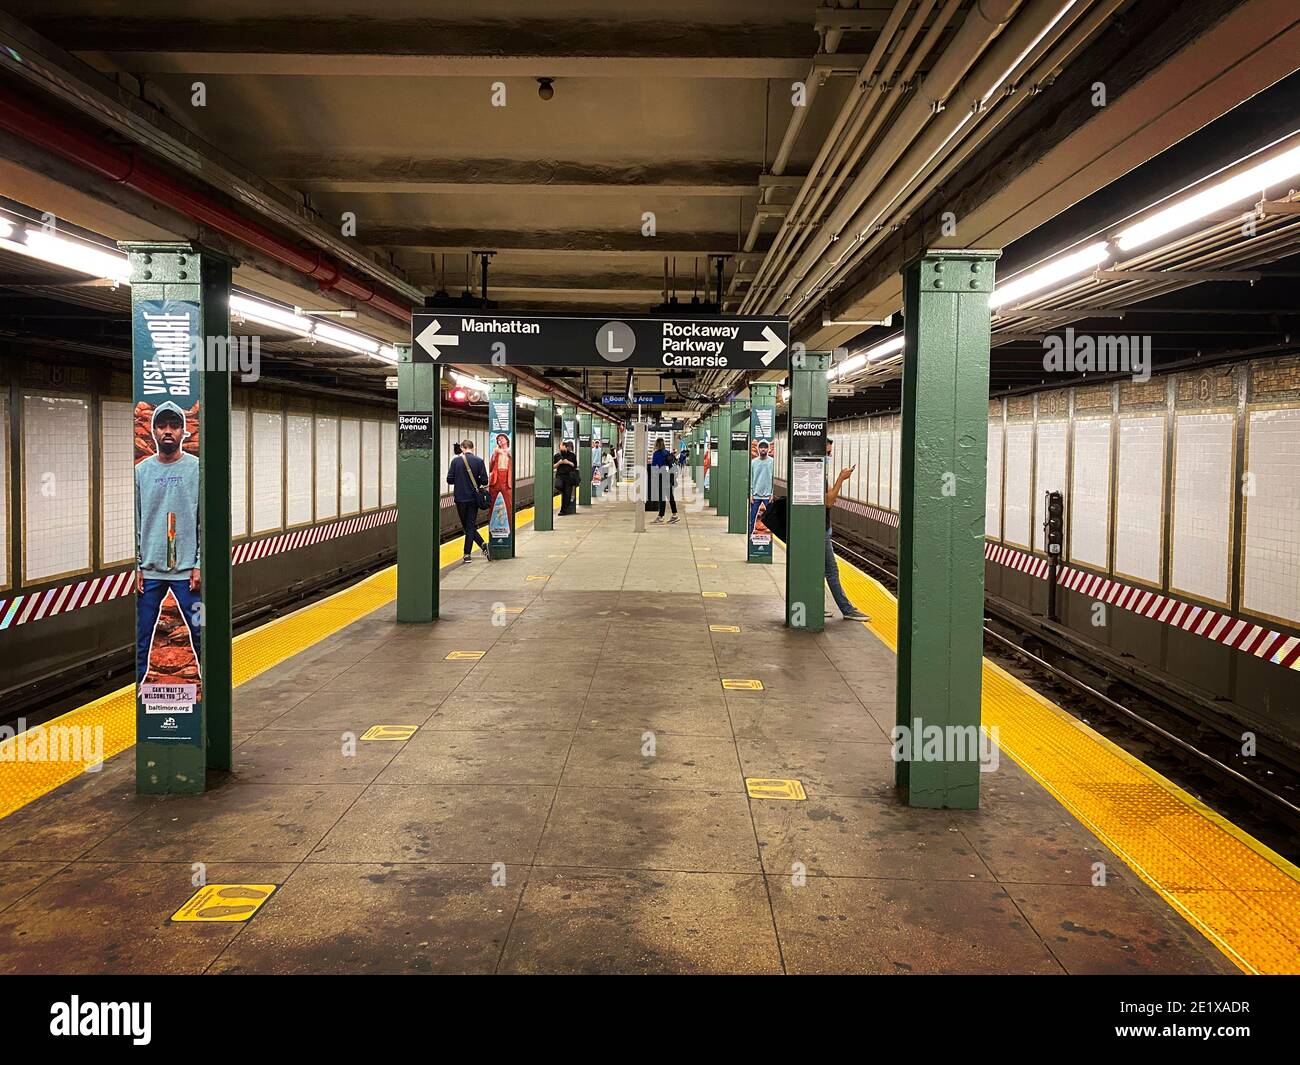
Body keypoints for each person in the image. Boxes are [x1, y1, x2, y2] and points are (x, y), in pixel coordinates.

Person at [135, 401, 202, 685]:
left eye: (174, 426)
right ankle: (141, 687)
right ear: (153, 432)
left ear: (183, 432)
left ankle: (206, 687)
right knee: (142, 634)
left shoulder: (197, 469)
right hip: (149, 571)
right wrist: (136, 566)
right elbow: (136, 519)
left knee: (200, 630)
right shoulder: (141, 472)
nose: (167, 431)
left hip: (187, 572)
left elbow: (204, 519)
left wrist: (199, 564)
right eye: (161, 425)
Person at [824, 437, 870, 621]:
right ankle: (847, 609)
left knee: (819, 569)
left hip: (824, 528)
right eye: (827, 453)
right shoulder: (815, 473)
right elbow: (829, 501)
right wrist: (841, 479)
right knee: (831, 571)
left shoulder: (820, 473)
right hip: (820, 529)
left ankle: (813, 603)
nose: (829, 456)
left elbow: (829, 494)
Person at [447, 438, 491, 563]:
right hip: (473, 498)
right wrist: (475, 481)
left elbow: (449, 480)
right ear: (473, 448)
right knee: (470, 525)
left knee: (467, 526)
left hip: (460, 498)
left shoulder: (455, 461)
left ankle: (467, 553)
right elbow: (485, 481)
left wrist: (459, 479)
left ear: (462, 448)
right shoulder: (479, 461)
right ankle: (481, 545)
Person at [748, 438, 774, 539]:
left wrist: (772, 493)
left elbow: (773, 478)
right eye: (761, 447)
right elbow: (751, 478)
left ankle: (772, 535)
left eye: (765, 447)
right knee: (752, 516)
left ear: (768, 449)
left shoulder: (772, 462)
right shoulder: (753, 462)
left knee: (771, 517)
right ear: (758, 449)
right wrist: (751, 494)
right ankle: (750, 534)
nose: (763, 449)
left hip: (768, 495)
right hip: (755, 495)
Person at [651, 437, 678, 523]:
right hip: (669, 476)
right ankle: (674, 515)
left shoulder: (656, 454)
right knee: (670, 496)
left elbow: (654, 466)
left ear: (656, 444)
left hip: (661, 476)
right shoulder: (667, 452)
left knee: (661, 497)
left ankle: (661, 516)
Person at [555, 440, 578, 515]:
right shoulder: (557, 456)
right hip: (560, 475)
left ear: (566, 447)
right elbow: (553, 466)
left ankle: (563, 511)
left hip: (569, 477)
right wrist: (559, 463)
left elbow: (574, 465)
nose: (562, 448)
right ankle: (564, 490)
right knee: (558, 485)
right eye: (560, 447)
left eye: (563, 446)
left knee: (567, 496)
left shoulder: (572, 455)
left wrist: (568, 462)